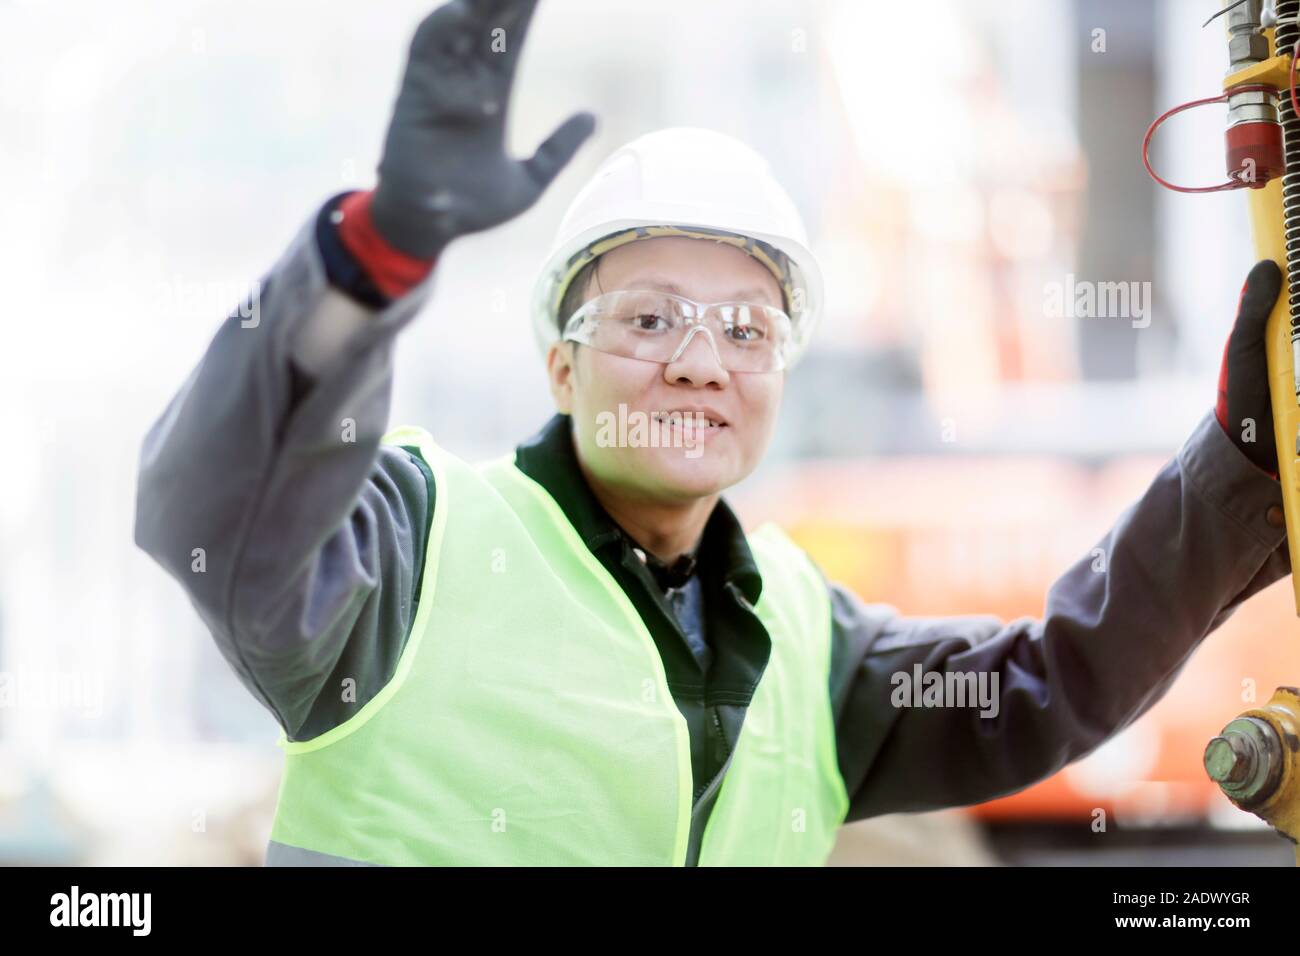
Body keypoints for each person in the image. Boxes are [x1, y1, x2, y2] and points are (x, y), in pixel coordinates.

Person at [135, 0, 1292, 866]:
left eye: (746, 328)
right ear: (560, 360)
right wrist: (375, 252)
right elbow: (209, 507)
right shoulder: (401, 556)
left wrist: (1240, 460)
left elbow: (1051, 680)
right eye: (648, 319)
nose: (700, 357)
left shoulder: (804, 636)